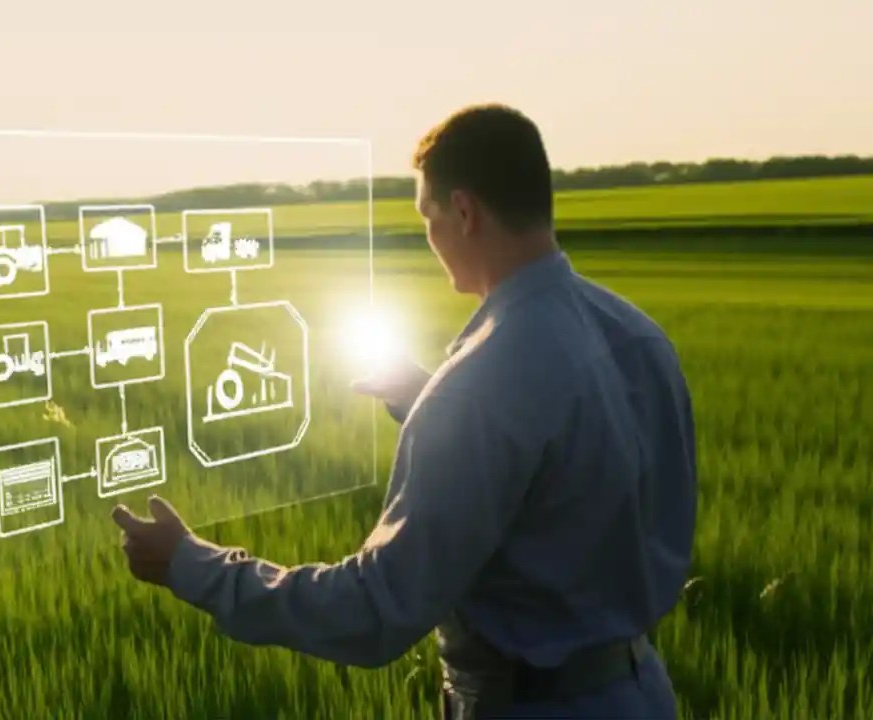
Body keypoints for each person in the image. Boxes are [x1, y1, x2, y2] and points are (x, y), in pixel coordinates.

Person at [111, 104, 697, 719]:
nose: (429, 235)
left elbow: (374, 612)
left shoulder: (480, 386)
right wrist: (429, 402)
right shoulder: (639, 338)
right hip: (641, 694)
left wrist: (191, 564)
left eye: (427, 215)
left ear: (465, 213)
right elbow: (579, 474)